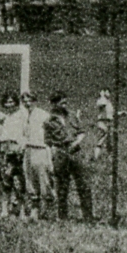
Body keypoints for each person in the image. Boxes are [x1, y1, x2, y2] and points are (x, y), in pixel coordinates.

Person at [46, 92, 93, 222]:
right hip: (61, 152)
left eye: (66, 102)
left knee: (83, 184)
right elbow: (48, 142)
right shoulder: (49, 120)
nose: (65, 105)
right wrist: (52, 158)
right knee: (62, 186)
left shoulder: (72, 115)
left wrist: (76, 142)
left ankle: (88, 217)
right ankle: (62, 216)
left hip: (75, 152)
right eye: (62, 103)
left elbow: (82, 132)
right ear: (54, 104)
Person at [20, 90, 54, 220]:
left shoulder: (42, 115)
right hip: (28, 149)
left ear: (35, 101)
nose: (27, 103)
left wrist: (49, 153)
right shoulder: (25, 116)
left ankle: (47, 210)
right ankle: (35, 210)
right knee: (30, 181)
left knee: (44, 180)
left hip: (41, 149)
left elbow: (50, 133)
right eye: (24, 101)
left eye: (30, 100)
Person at [0, 91, 28, 217]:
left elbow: (26, 133)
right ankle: (5, 210)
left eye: (11, 102)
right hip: (5, 149)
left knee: (19, 181)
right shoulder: (5, 117)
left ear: (16, 103)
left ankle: (21, 210)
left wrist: (22, 146)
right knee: (6, 181)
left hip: (17, 149)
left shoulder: (21, 115)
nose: (9, 104)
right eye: (7, 102)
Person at [92, 90, 115, 162]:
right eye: (108, 92)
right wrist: (102, 95)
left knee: (108, 142)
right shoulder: (101, 100)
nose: (109, 93)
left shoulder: (109, 103)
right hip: (102, 122)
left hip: (108, 122)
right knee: (101, 140)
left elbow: (111, 114)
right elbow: (101, 105)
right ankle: (95, 157)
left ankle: (110, 158)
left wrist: (121, 113)